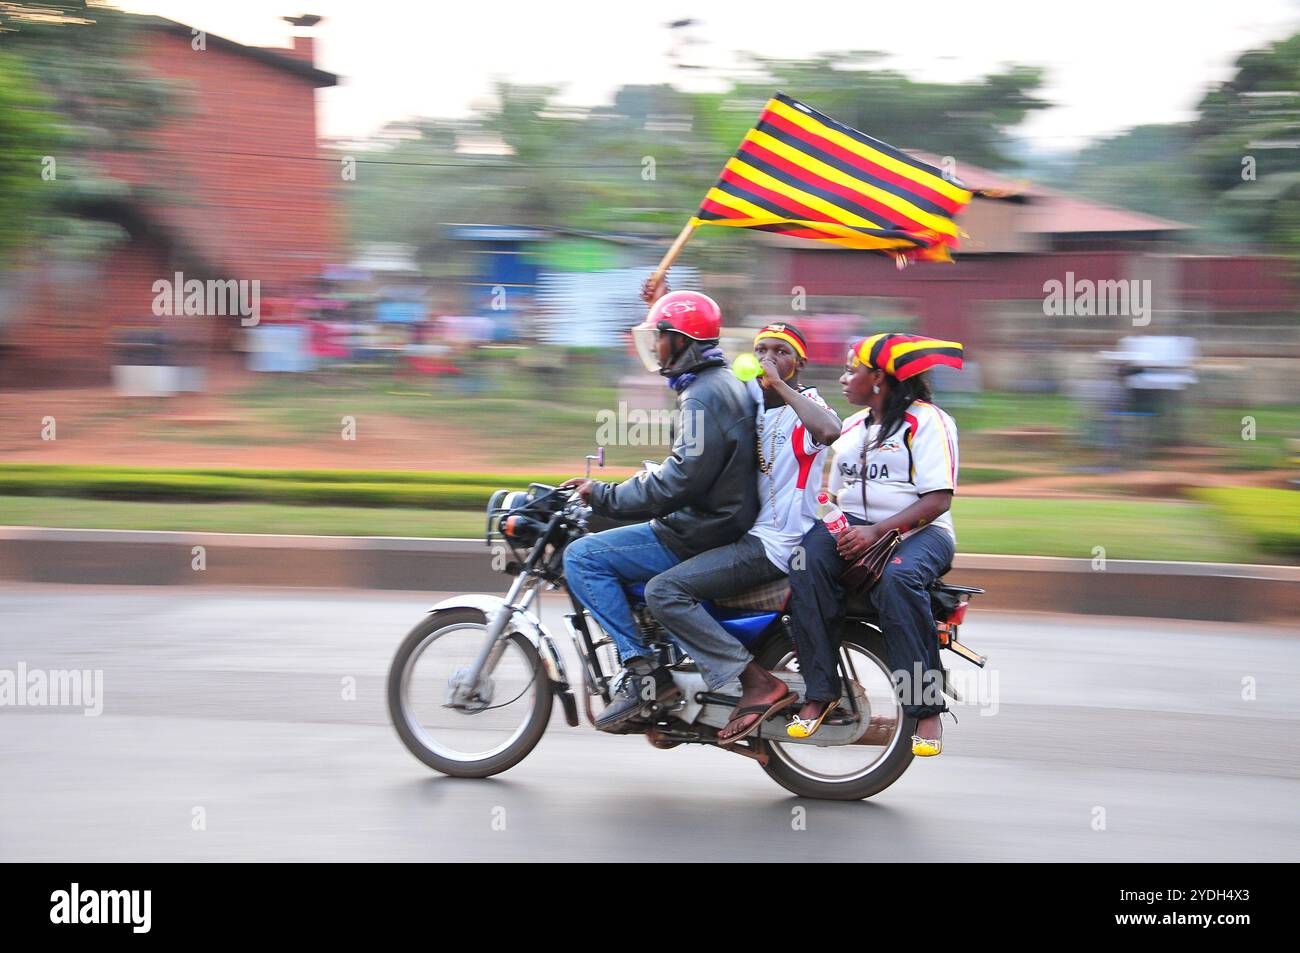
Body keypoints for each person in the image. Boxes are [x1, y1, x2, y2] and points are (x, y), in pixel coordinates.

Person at [562, 279, 758, 732]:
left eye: (661, 337)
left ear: (682, 342)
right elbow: (690, 466)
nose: (656, 348)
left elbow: (680, 481)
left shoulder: (702, 396)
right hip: (720, 519)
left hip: (697, 530)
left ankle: (642, 670)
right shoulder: (718, 382)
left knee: (583, 557)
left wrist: (607, 495)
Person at [643, 323, 841, 745]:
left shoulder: (807, 404)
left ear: (799, 363)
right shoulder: (751, 400)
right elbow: (689, 369)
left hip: (775, 544)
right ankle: (682, 703)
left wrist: (778, 383)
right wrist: (662, 311)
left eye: (781, 352)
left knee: (664, 592)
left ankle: (755, 684)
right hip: (742, 532)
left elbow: (828, 432)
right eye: (761, 350)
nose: (769, 357)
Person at [785, 333, 963, 756]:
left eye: (852, 370)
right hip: (858, 526)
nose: (844, 379)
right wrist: (842, 527)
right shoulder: (850, 428)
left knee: (898, 581)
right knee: (804, 562)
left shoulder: (928, 421)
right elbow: (834, 495)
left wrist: (877, 532)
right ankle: (821, 693)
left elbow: (938, 499)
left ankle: (925, 711)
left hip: (922, 532)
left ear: (879, 378)